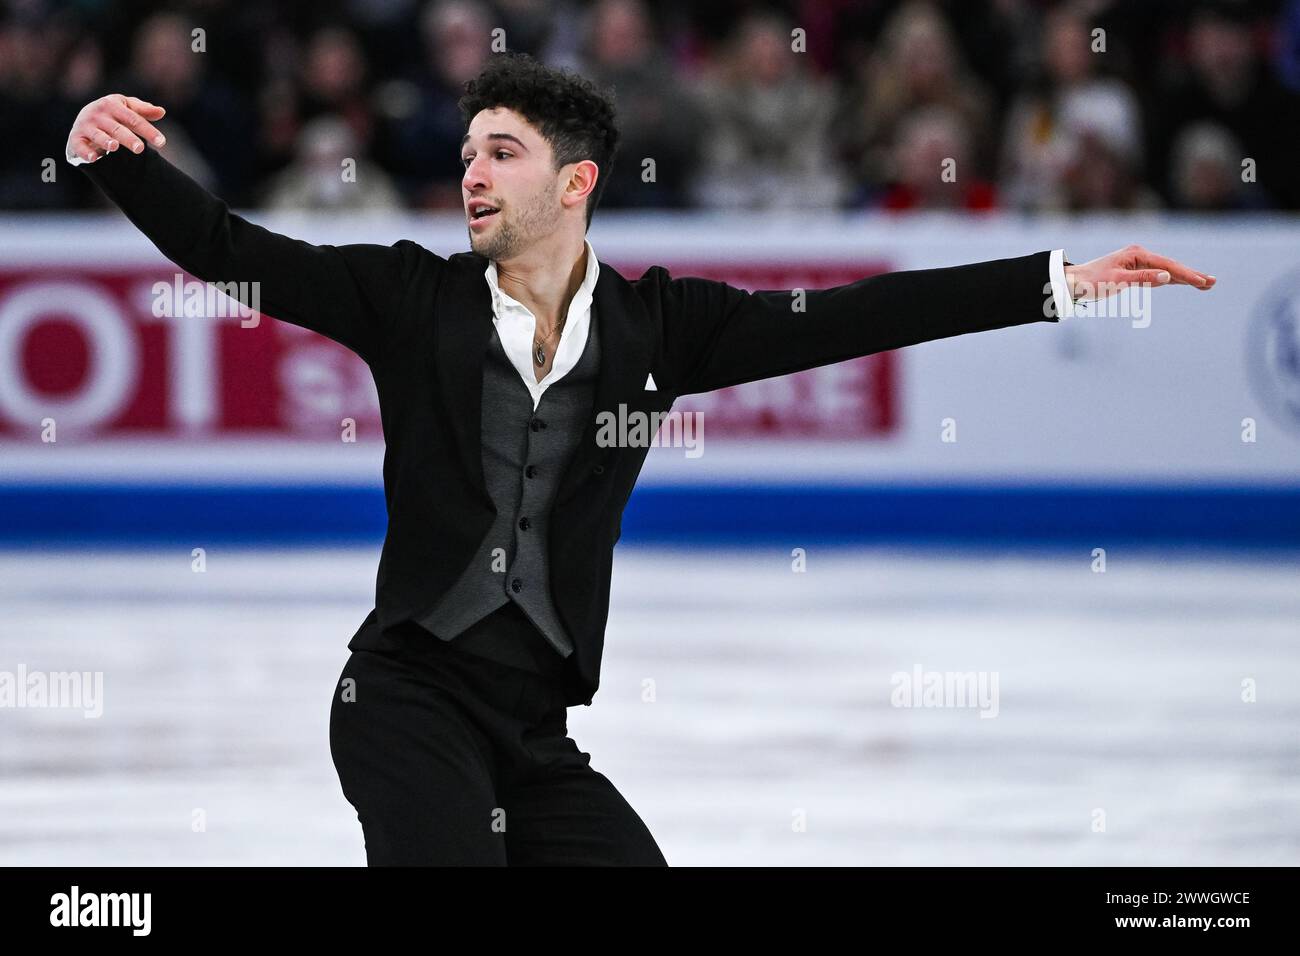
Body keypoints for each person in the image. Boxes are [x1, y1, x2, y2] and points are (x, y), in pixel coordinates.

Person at [64, 51, 1215, 866]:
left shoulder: (661, 327)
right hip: (403, 695)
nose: (471, 171)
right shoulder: (407, 297)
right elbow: (234, 250)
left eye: (501, 153)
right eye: (467, 151)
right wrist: (113, 158)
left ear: (575, 184)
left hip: (535, 728)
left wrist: (1052, 282)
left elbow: (858, 314)